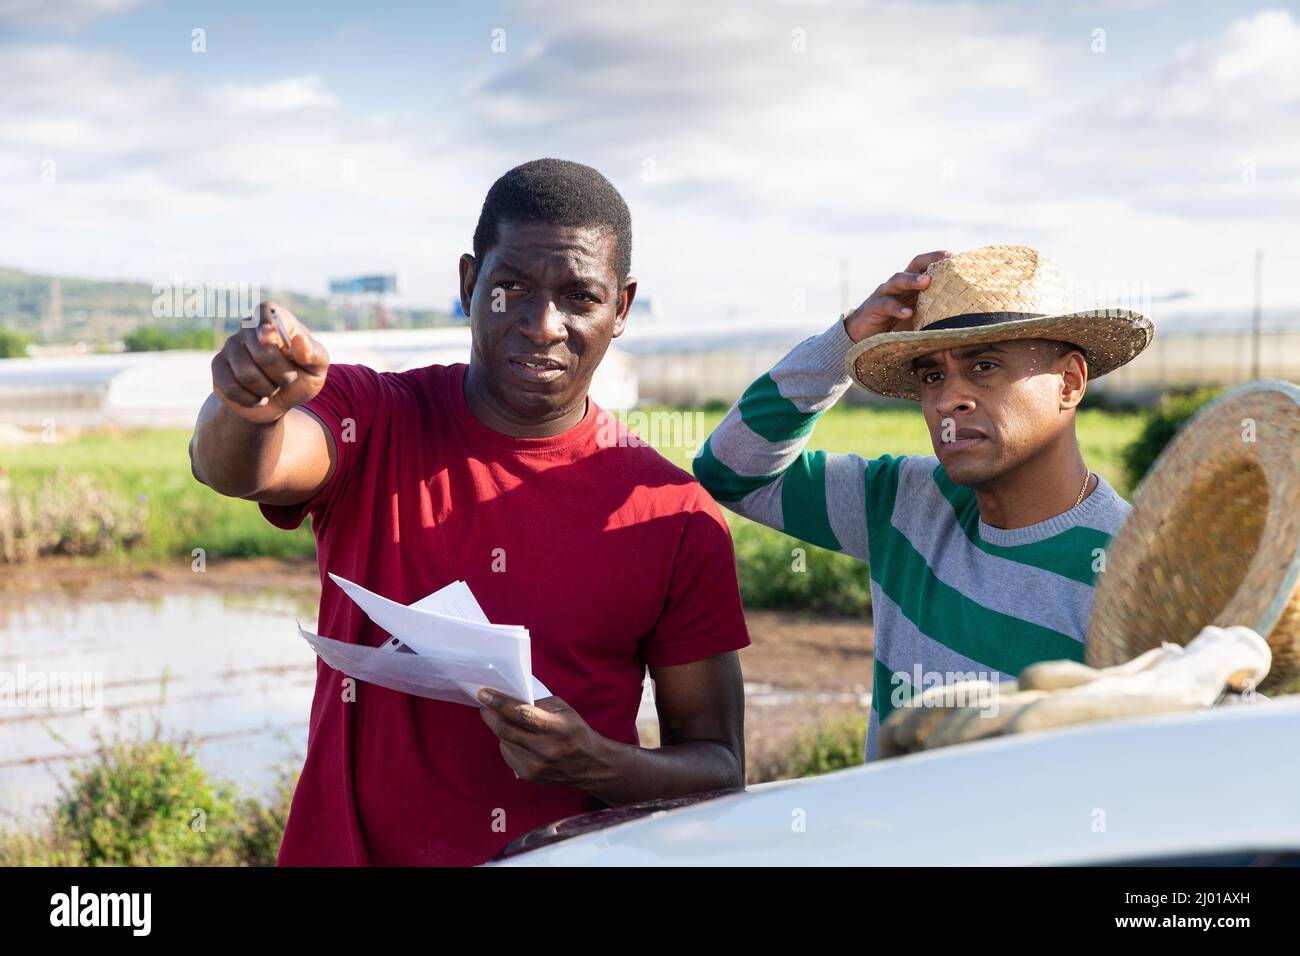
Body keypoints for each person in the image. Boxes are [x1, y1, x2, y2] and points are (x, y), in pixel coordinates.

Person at [189, 158, 750, 865]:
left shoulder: (672, 514)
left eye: (580, 297)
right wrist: (245, 405)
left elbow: (719, 767)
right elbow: (238, 466)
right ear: (467, 284)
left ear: (623, 309)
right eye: (511, 287)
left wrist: (596, 761)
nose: (543, 326)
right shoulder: (376, 417)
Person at [693, 245, 1153, 760]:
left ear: (1069, 383)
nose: (947, 400)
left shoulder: (1134, 570)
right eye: (931, 375)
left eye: (984, 365)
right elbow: (731, 470)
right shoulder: (904, 502)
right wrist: (841, 344)